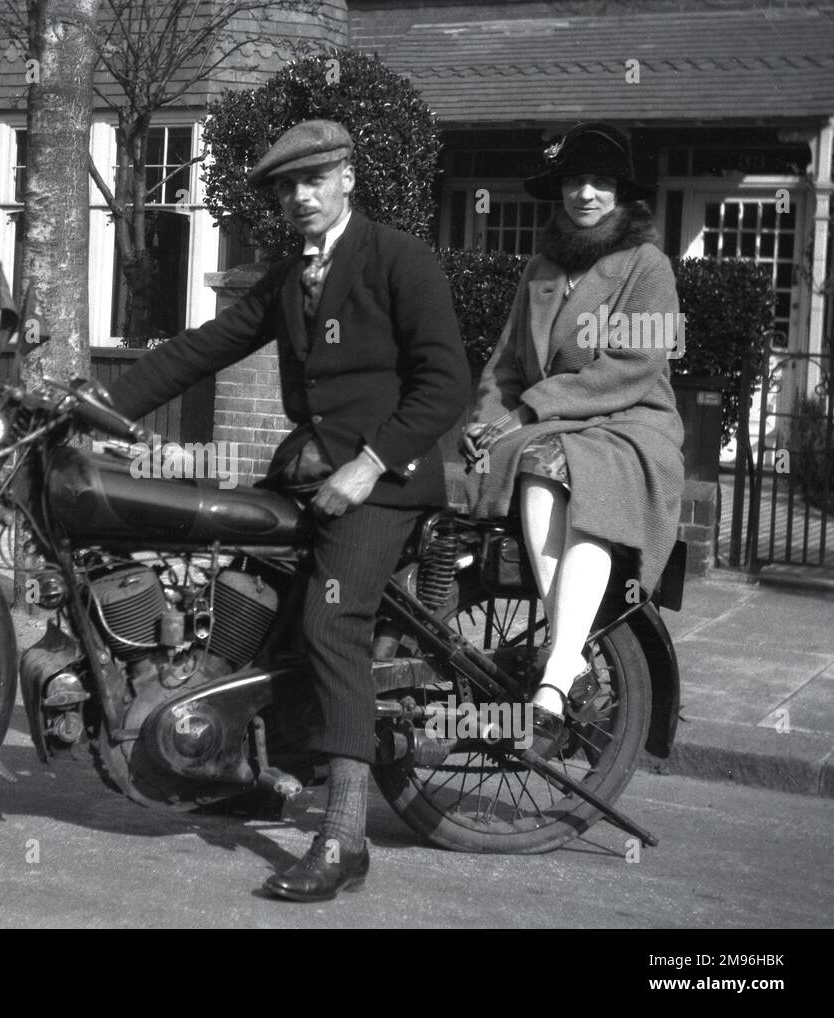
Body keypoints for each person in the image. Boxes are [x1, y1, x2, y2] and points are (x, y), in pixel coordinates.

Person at [107, 119, 469, 901]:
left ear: (346, 178)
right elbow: (199, 348)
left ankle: (343, 835)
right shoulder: (284, 279)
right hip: (310, 473)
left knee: (331, 621)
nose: (300, 197)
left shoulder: (401, 261)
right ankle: (235, 762)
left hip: (387, 480)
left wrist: (370, 466)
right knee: (242, 571)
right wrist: (94, 405)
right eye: (286, 187)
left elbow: (447, 385)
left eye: (314, 180)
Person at [461, 122, 684, 757]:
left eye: (600, 182)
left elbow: (630, 368)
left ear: (620, 192)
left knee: (572, 468)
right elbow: (505, 365)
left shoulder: (647, 266)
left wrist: (529, 410)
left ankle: (554, 682)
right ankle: (572, 665)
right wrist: (489, 418)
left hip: (630, 419)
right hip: (552, 425)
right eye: (574, 182)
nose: (586, 193)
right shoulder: (540, 268)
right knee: (537, 462)